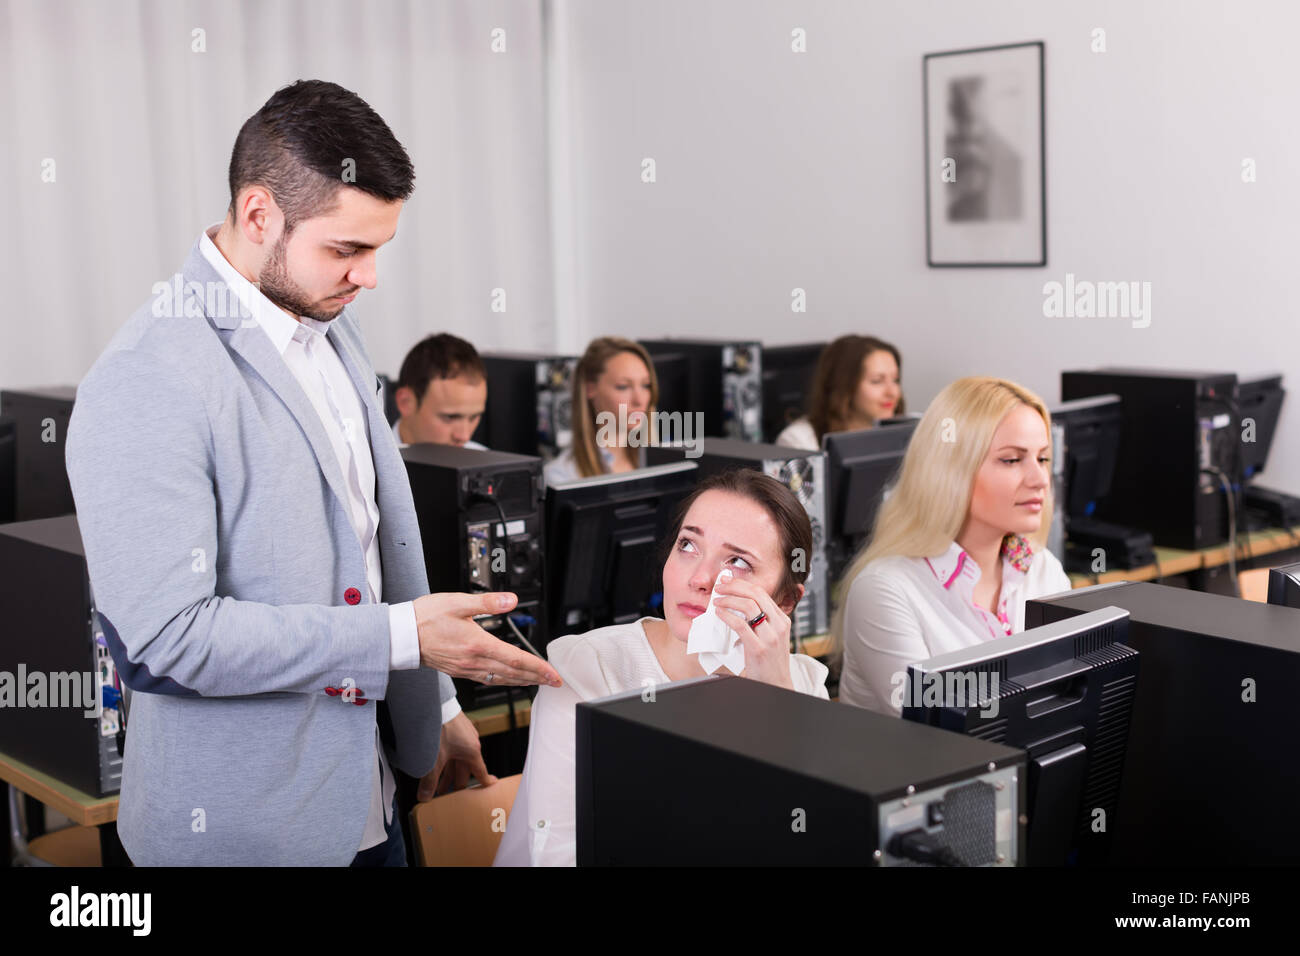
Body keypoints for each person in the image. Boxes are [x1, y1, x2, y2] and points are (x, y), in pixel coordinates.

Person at [64, 79, 560, 866]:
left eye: (378, 250)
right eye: (347, 248)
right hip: (244, 836)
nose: (369, 277)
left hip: (374, 798)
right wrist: (404, 639)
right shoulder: (148, 375)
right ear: (259, 214)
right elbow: (165, 642)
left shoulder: (327, 320)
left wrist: (433, 701)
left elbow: (367, 547)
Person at [495, 469, 830, 866]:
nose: (700, 578)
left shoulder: (802, 689)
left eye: (738, 562)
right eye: (688, 545)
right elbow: (560, 857)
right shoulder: (588, 671)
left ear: (786, 602)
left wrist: (774, 710)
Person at [833, 377, 1071, 716]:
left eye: (1043, 459)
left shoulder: (1043, 569)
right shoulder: (884, 590)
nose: (1039, 479)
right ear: (952, 470)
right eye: (1012, 460)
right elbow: (939, 726)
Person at [543, 337, 657, 485]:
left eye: (646, 385)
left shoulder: (658, 460)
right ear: (590, 389)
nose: (639, 400)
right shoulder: (562, 476)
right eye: (623, 386)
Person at [775, 335, 904, 450]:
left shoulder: (903, 437)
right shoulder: (799, 441)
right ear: (845, 386)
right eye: (877, 381)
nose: (892, 392)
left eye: (895, 380)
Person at [391, 332, 488, 449]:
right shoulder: (367, 464)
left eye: (473, 418)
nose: (464, 436)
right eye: (450, 417)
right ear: (405, 402)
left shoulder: (485, 460)